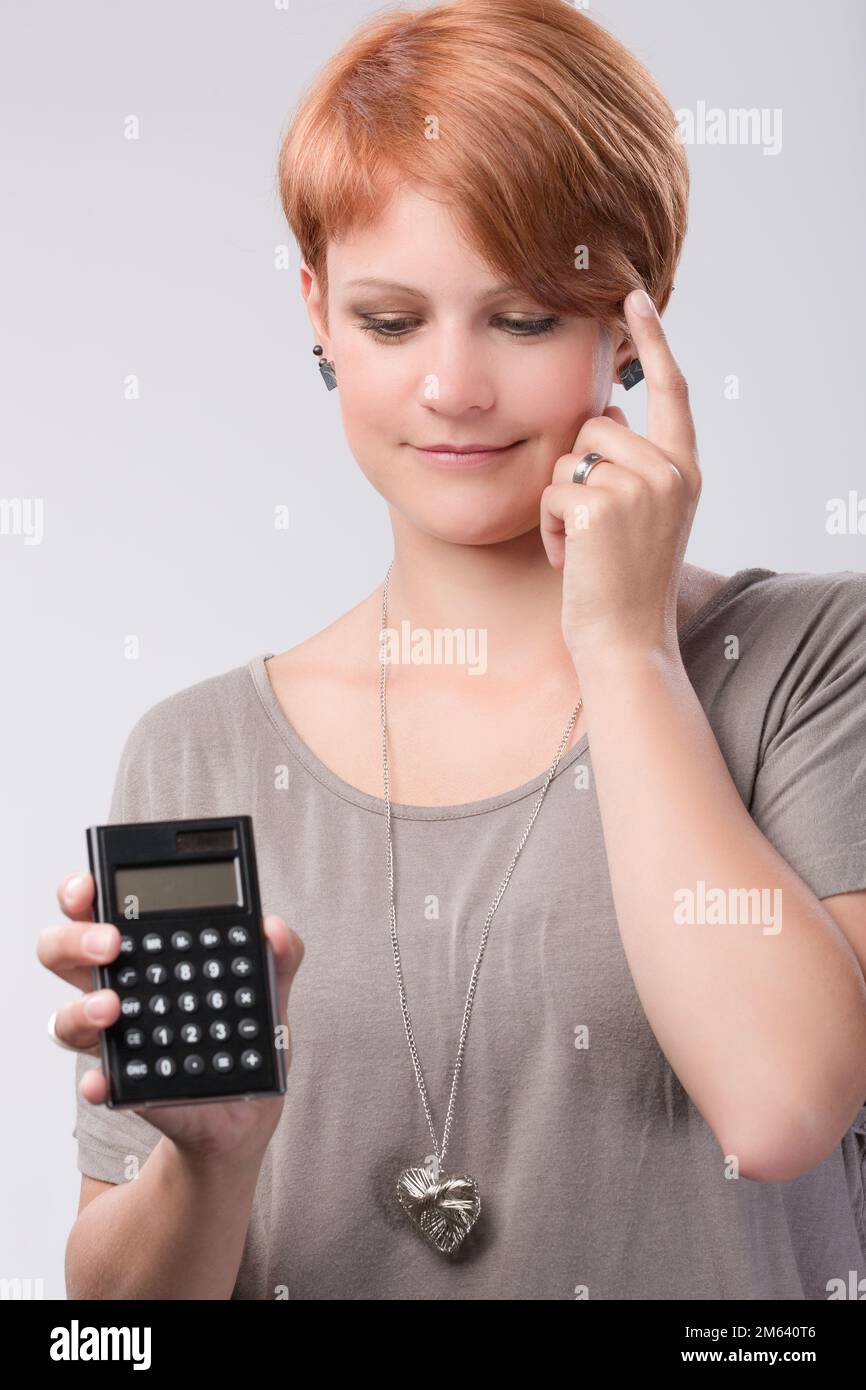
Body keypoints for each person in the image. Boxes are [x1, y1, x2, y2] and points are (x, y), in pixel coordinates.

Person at [41, 0, 866, 1299]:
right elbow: (122, 1321)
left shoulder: (814, 658)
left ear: (634, 319)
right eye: (388, 320)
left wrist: (627, 647)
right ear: (315, 310)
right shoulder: (195, 747)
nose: (453, 388)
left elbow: (778, 1110)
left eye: (525, 318)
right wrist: (211, 1162)